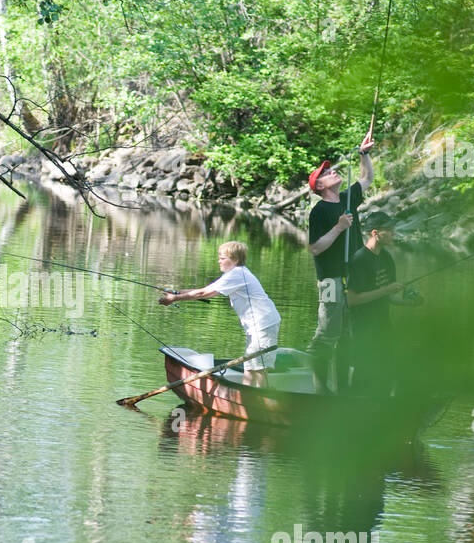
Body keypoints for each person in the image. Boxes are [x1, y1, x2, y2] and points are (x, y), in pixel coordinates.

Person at [306, 125, 375, 392]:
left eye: (331, 169)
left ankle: (344, 390)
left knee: (348, 336)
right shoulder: (320, 211)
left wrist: (363, 154)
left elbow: (367, 179)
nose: (332, 171)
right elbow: (315, 248)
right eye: (326, 173)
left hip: (353, 278)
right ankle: (320, 390)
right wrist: (338, 227)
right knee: (327, 335)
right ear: (320, 186)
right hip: (332, 280)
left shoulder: (347, 199)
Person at [160, 241, 280, 387]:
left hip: (263, 324)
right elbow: (205, 290)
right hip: (258, 326)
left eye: (223, 258)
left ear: (235, 260)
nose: (219, 261)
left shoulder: (237, 274)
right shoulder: (237, 273)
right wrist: (177, 293)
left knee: (259, 368)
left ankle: (262, 402)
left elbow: (203, 293)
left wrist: (175, 298)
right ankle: (247, 397)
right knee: (249, 366)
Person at [345, 210, 422, 394]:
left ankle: (380, 408)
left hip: (383, 324)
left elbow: (387, 297)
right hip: (363, 326)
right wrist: (385, 290)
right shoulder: (360, 260)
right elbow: (352, 300)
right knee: (363, 369)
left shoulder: (387, 259)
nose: (394, 233)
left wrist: (410, 303)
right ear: (375, 233)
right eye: (389, 229)